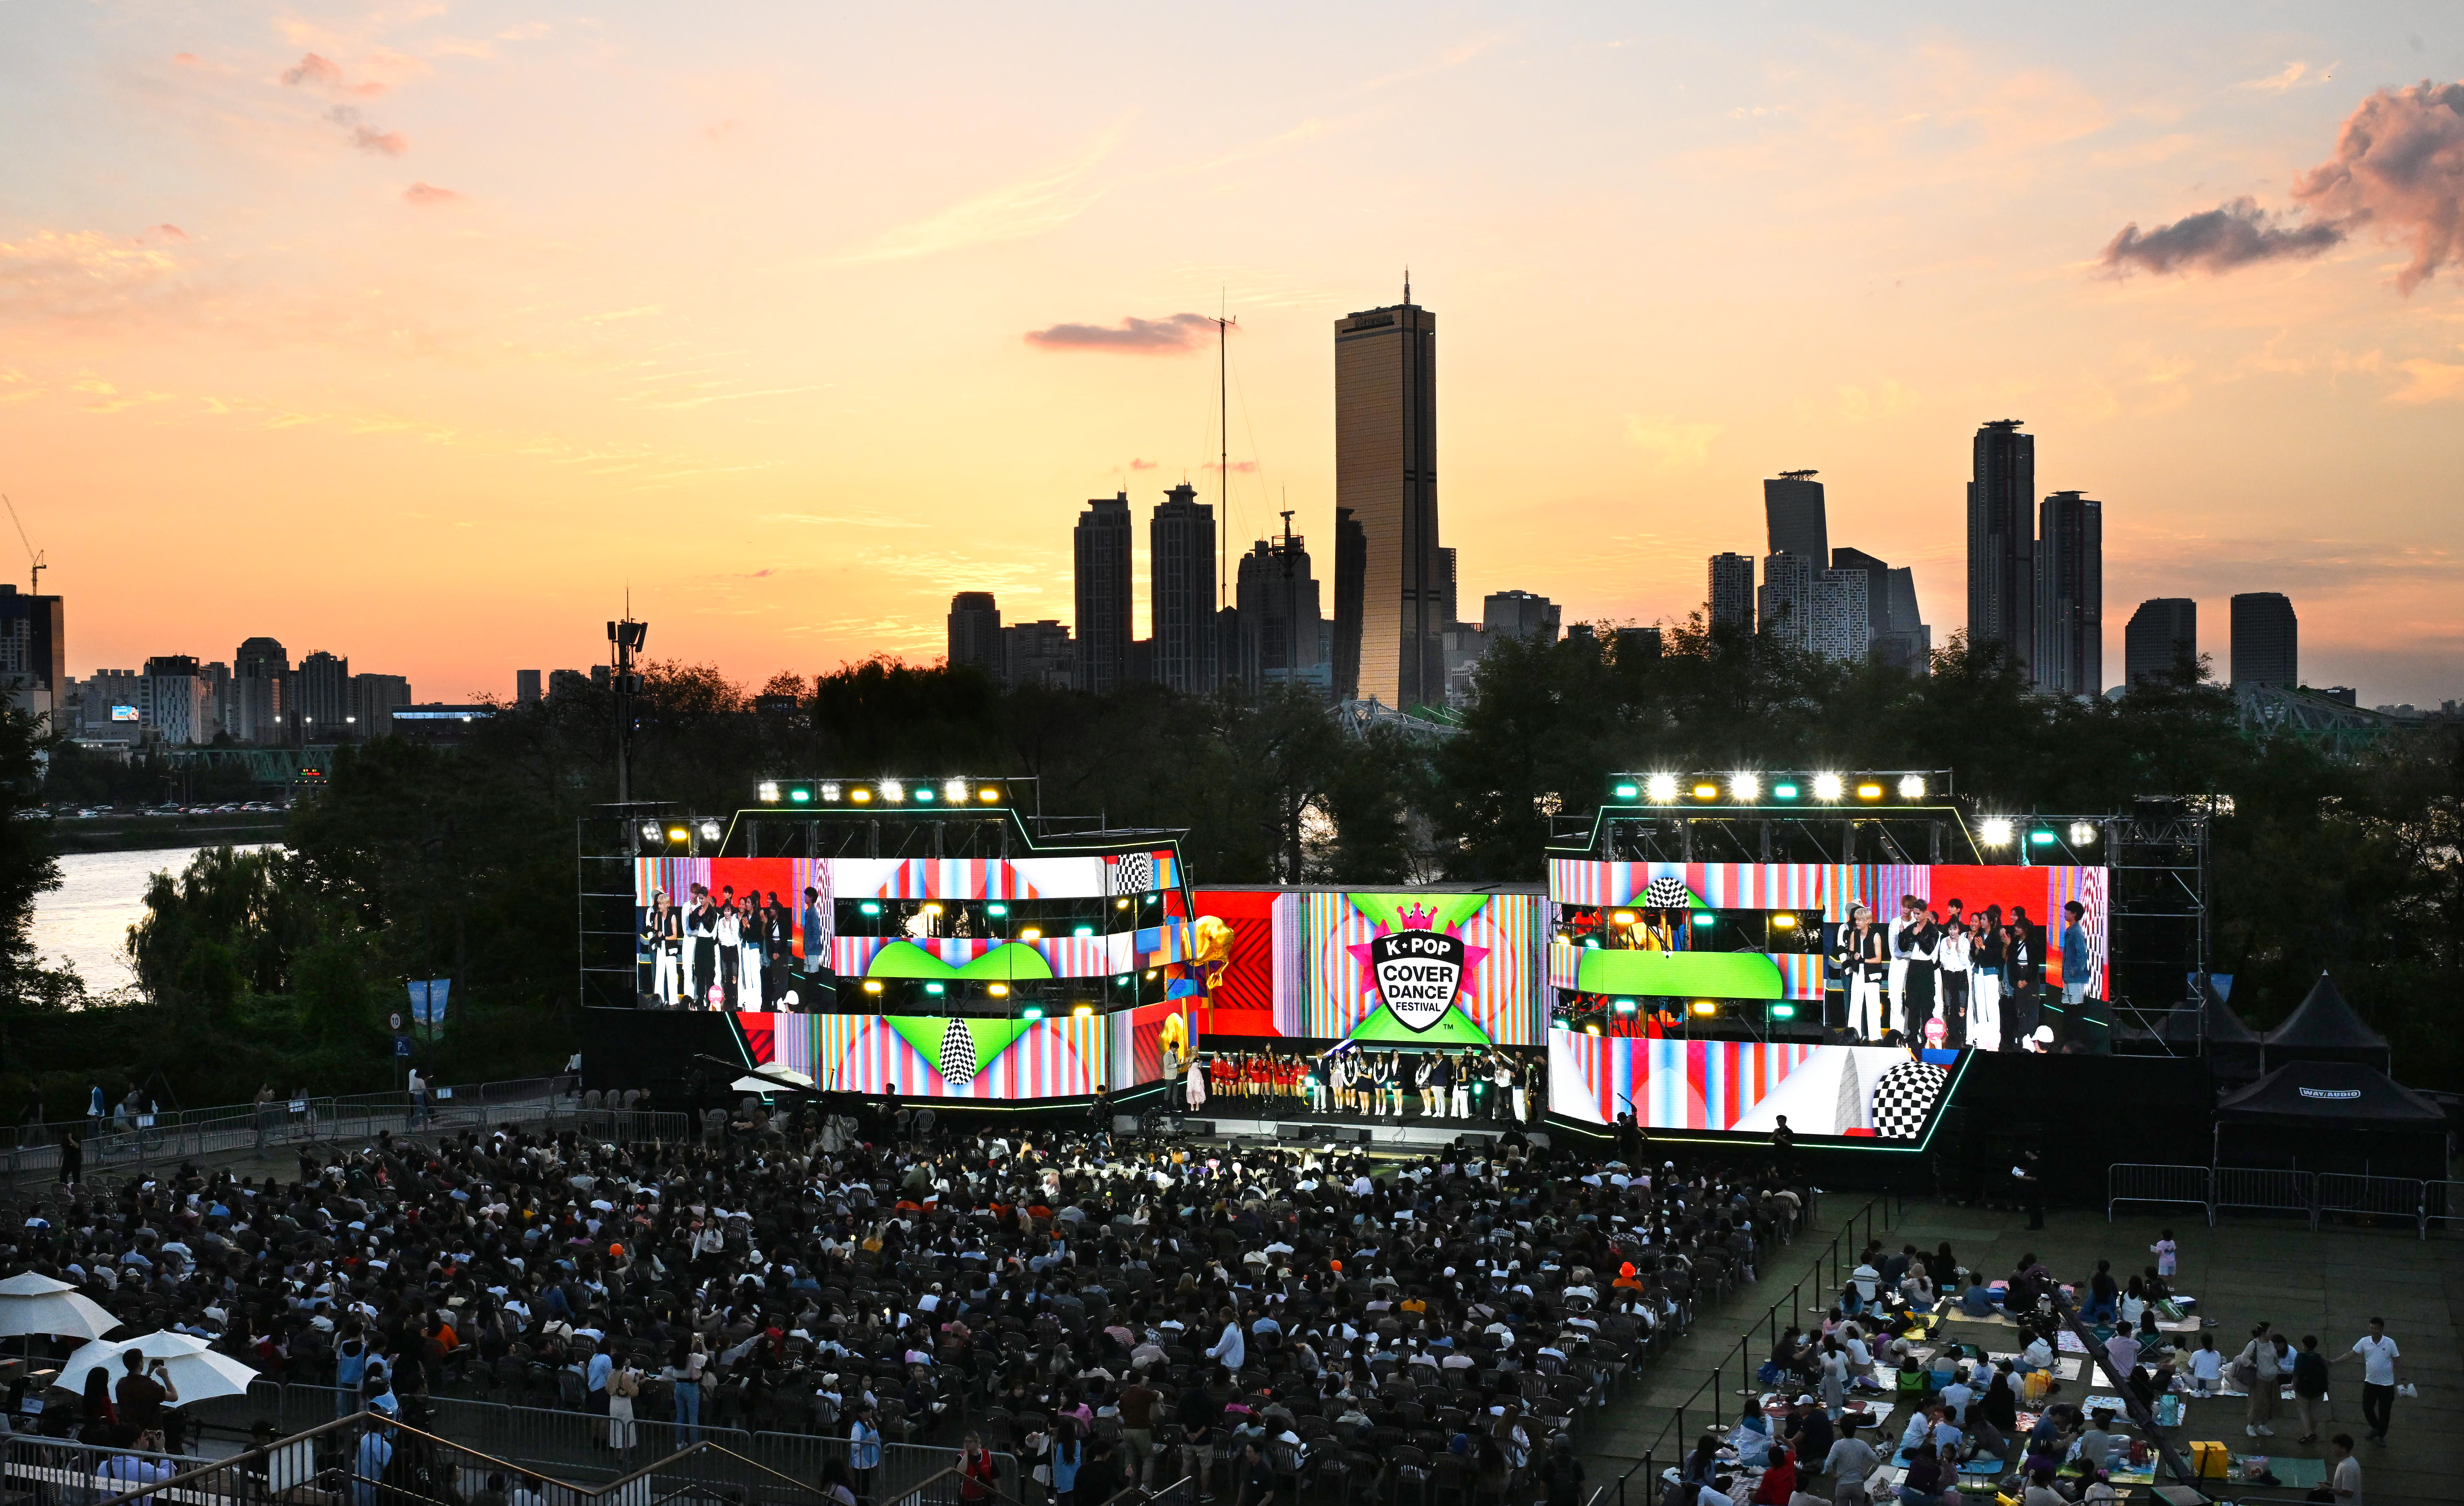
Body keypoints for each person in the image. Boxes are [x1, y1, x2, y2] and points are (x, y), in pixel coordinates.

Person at [2331, 1316, 2401, 1442]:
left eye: (2375, 1329)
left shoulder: (2390, 1343)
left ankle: (2381, 1437)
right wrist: (2335, 1362)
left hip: (2387, 1385)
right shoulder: (2364, 1342)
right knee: (2367, 1408)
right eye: (2371, 1328)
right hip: (2370, 1383)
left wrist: (2403, 1378)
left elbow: (2397, 1361)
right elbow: (2351, 1354)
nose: (2373, 1331)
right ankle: (2377, 1428)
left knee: (2385, 1412)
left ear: (2382, 1329)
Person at [115, 1350, 176, 1452]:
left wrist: (148, 1373)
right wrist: (165, 1377)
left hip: (130, 1434)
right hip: (150, 1436)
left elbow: (138, 1387)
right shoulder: (150, 1385)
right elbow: (174, 1396)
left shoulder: (122, 1383)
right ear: (140, 1363)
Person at [2236, 1324, 2283, 1438]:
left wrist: (2278, 1367)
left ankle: (2263, 1426)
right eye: (2270, 1331)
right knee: (2258, 1404)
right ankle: (2251, 1426)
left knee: (2271, 1403)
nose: (2272, 1333)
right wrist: (2255, 1366)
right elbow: (2244, 1359)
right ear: (2263, 1333)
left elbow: (2275, 1358)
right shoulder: (2254, 1344)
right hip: (2260, 1380)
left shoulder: (2271, 1344)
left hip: (2272, 1379)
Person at [608, 1349, 641, 1458]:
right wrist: (637, 1382)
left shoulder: (611, 1374)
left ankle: (617, 1453)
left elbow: (607, 1389)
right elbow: (634, 1392)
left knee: (615, 1428)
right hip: (624, 1405)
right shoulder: (625, 1376)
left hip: (613, 1403)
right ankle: (623, 1456)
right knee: (626, 1429)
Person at [848, 1403, 883, 1502]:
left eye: (870, 1410)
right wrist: (868, 1441)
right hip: (862, 1462)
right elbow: (854, 1445)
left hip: (870, 1460)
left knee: (866, 1487)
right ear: (860, 1414)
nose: (870, 1413)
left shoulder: (871, 1422)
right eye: (867, 1411)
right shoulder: (857, 1427)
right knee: (861, 1489)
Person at [2326, 1433, 2361, 1504]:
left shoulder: (2347, 1467)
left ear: (2343, 1449)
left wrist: (2329, 1489)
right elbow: (2346, 1485)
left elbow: (2349, 1493)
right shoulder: (2350, 1461)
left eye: (2336, 1447)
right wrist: (2331, 1485)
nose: (2333, 1450)